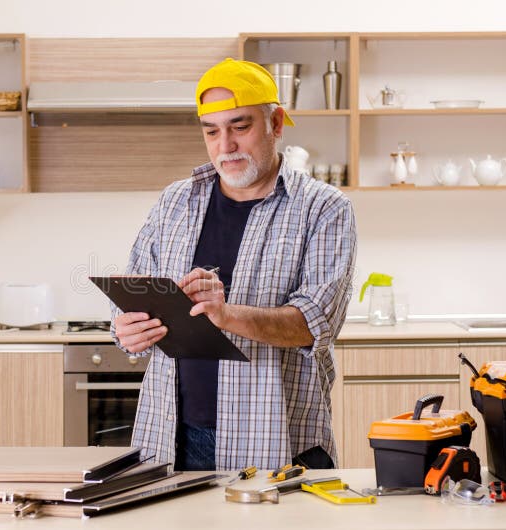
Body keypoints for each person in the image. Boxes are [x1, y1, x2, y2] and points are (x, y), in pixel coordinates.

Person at [110, 58, 357, 471]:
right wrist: (127, 329)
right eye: (212, 131)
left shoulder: (325, 208)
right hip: (171, 437)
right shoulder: (176, 201)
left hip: (278, 440)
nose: (225, 146)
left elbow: (316, 324)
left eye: (240, 127)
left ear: (276, 124)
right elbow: (135, 296)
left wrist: (227, 315)